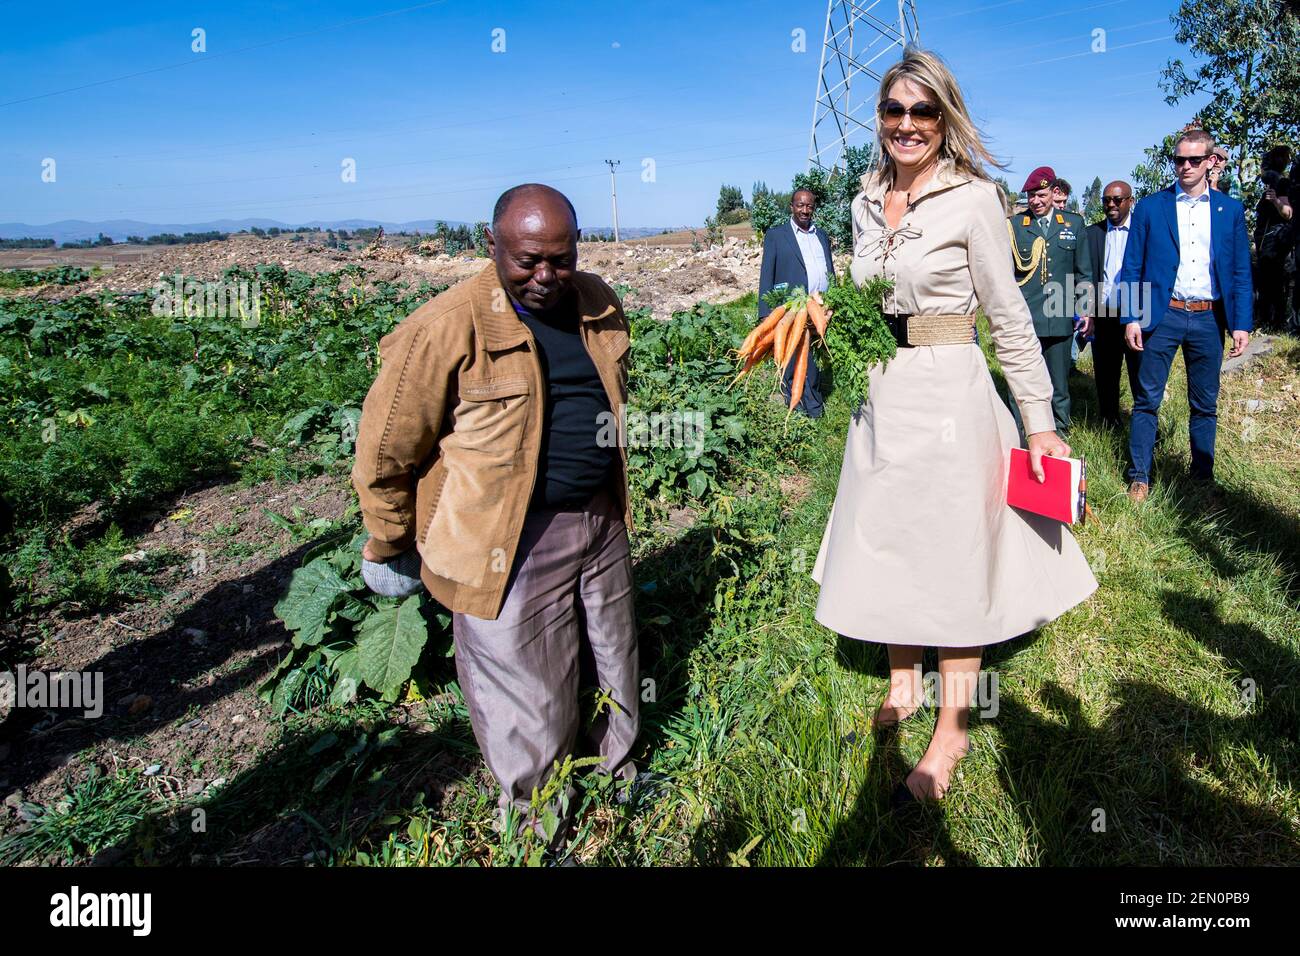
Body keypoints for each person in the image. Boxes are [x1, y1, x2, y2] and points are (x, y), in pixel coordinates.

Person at [811, 48, 1097, 804]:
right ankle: (904, 679)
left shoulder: (976, 198)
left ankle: (955, 726)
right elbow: (864, 297)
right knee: (892, 528)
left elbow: (1007, 317)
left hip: (951, 387)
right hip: (883, 390)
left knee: (949, 544)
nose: (907, 124)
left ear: (945, 119)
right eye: (894, 111)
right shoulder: (864, 198)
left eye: (922, 111)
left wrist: (1039, 422)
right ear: (879, 118)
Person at [351, 183, 640, 839]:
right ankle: (540, 827)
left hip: (597, 520)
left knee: (613, 660)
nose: (546, 277)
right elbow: (385, 450)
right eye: (528, 261)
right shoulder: (444, 327)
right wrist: (389, 542)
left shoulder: (598, 302)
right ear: (492, 246)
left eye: (561, 259)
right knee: (527, 696)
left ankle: (616, 776)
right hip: (503, 540)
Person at [1118, 129, 1254, 502]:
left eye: (1194, 160)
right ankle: (1140, 476)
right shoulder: (1150, 207)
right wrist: (1132, 316)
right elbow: (1132, 267)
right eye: (1179, 160)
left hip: (1209, 319)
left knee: (1205, 405)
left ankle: (1201, 478)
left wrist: (1241, 324)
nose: (1185, 167)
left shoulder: (1230, 211)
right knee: (1147, 400)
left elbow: (1241, 272)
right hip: (1164, 316)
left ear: (1211, 161)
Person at [1007, 166, 1094, 434]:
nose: (1035, 201)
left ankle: (1060, 430)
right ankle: (1021, 431)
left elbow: (1085, 273)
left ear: (1054, 192)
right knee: (1022, 381)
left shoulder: (1073, 224)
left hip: (1059, 314)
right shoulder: (1015, 227)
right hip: (1025, 317)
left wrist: (1086, 310)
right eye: (1031, 195)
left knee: (1058, 383)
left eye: (1041, 194)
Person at [757, 188, 835, 417]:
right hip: (791, 308)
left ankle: (813, 402)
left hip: (819, 307)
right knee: (793, 358)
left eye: (809, 206)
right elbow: (766, 274)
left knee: (812, 357)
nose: (805, 210)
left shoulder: (821, 235)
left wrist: (834, 299)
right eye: (800, 205)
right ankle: (798, 406)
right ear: (791, 206)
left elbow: (829, 270)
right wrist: (765, 313)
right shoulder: (776, 235)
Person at [1085, 180, 1142, 427]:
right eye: (1106, 200)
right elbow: (1085, 275)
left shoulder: (1144, 232)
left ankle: (1144, 424)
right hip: (1105, 313)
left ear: (1130, 201)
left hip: (1139, 313)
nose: (1111, 204)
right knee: (1106, 373)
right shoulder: (1092, 234)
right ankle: (1109, 420)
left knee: (1140, 374)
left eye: (1117, 200)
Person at [1254, 146, 1294, 331]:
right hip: (1268, 238)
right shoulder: (1274, 183)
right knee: (1267, 280)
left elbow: (1287, 213)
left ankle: (1275, 322)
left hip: (1275, 239)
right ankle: (1266, 320)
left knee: (1274, 280)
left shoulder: (1282, 183)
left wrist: (1276, 201)